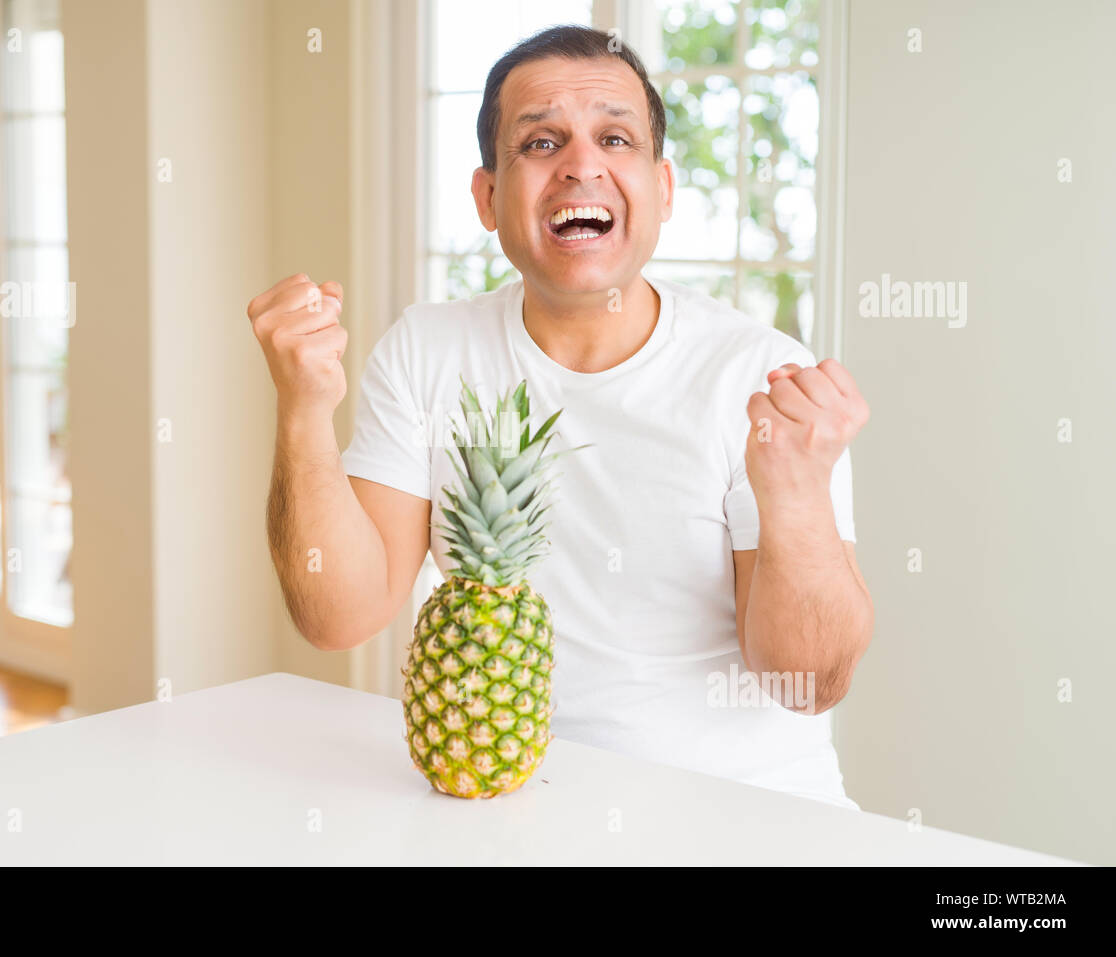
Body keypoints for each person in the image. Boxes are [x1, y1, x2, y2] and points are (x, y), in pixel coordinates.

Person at [247, 25, 873, 809]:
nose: (582, 164)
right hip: (510, 807)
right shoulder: (427, 350)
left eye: (615, 136)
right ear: (487, 197)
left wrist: (798, 494)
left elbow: (810, 683)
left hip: (745, 812)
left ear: (665, 188)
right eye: (540, 142)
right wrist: (304, 409)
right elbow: (337, 616)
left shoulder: (757, 374)